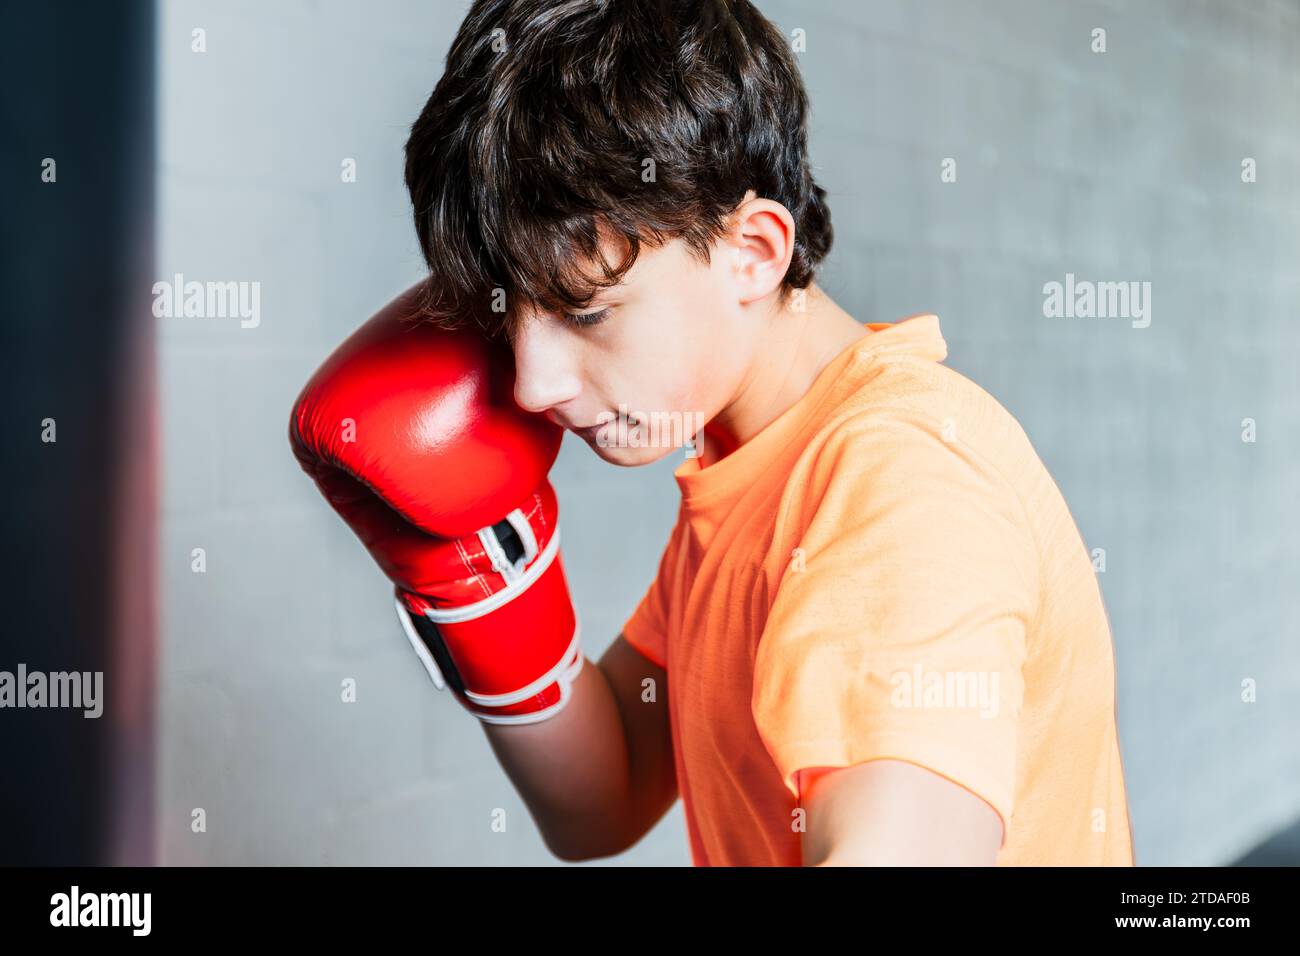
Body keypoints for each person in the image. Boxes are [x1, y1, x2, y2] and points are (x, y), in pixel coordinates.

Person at [291, 0, 1134, 866]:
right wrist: (478, 588)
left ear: (754, 251)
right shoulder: (753, 466)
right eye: (507, 322)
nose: (533, 384)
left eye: (585, 311)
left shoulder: (901, 486)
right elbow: (603, 802)